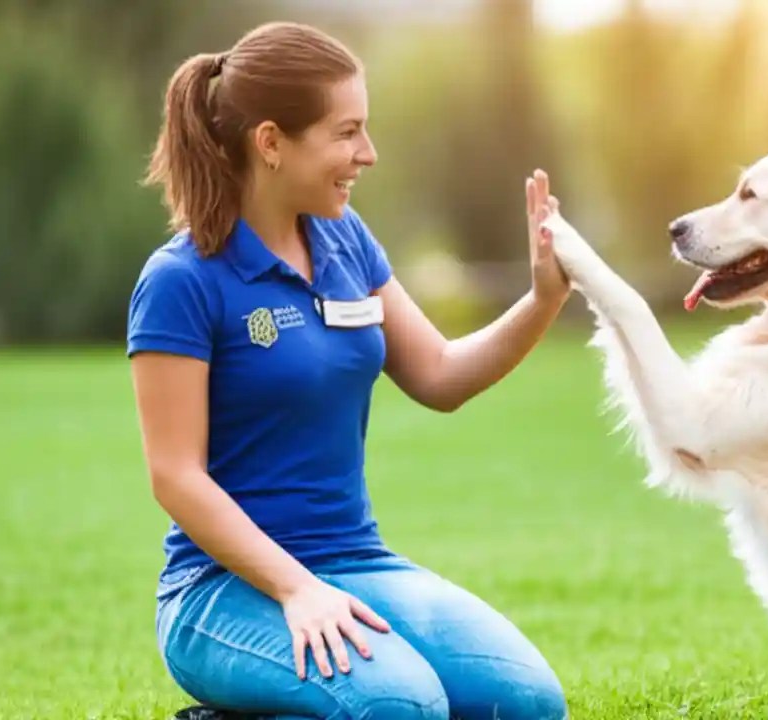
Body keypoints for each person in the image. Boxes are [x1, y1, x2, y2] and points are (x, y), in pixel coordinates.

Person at [128, 21, 570, 720]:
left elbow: (441, 375)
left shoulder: (345, 242)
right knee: (400, 706)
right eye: (346, 132)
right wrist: (296, 589)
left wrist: (544, 298)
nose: (368, 153)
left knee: (526, 704)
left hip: (357, 562)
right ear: (270, 142)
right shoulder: (181, 281)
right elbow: (175, 476)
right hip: (219, 588)